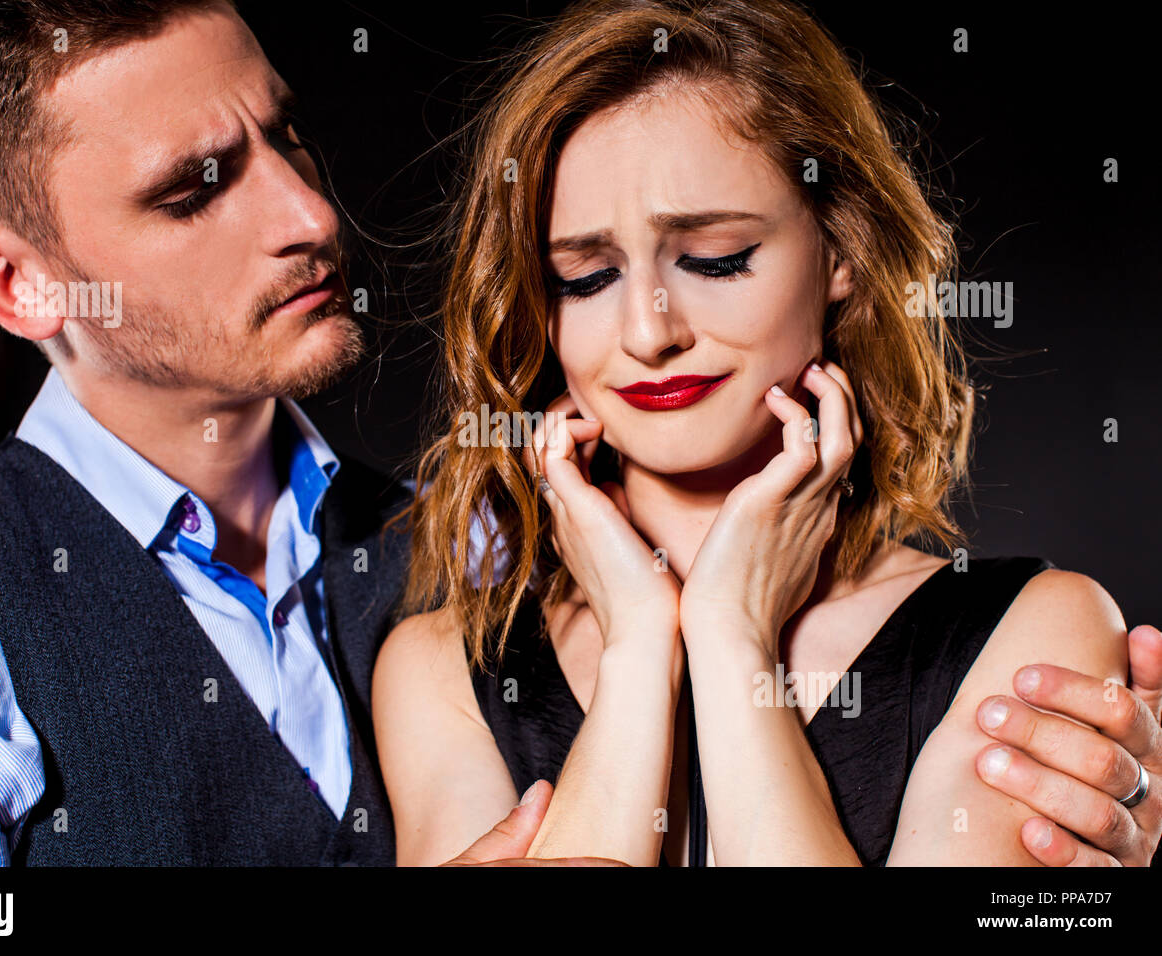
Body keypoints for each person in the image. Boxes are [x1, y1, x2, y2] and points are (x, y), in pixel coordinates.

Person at [375, 0, 1162, 866]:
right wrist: (641, 642)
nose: (649, 331)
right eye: (585, 277)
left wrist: (731, 630)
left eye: (714, 258)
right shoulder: (441, 672)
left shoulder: (1034, 633)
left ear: (841, 252)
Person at [0, 0, 574, 867]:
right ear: (17, 284)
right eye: (193, 190)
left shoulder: (468, 541)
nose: (308, 216)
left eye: (287, 133)